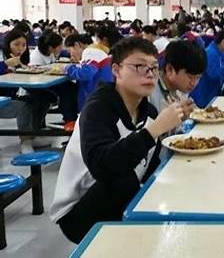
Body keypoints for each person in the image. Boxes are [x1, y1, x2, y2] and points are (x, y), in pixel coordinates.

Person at [50, 37, 185, 244]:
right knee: (124, 180)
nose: (150, 73)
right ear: (116, 70)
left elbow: (150, 165)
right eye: (139, 66)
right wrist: (155, 130)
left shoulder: (148, 111)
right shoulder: (97, 108)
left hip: (121, 195)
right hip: (78, 211)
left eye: (154, 68)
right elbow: (103, 166)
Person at [0, 29, 52, 153]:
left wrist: (26, 69)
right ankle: (25, 141)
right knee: (24, 106)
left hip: (11, 97)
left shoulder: (20, 59)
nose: (20, 48)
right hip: (2, 101)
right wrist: (5, 64)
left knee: (43, 98)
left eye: (23, 45)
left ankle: (33, 134)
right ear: (8, 44)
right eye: (16, 44)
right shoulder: (3, 55)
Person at [64, 25, 122, 111]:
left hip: (95, 98)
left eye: (70, 51)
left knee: (65, 90)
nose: (71, 55)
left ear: (76, 45)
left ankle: (69, 120)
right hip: (102, 95)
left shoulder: (89, 51)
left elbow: (86, 73)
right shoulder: (96, 51)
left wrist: (68, 68)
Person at [150, 40, 206, 119]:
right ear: (170, 70)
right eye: (190, 77)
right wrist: (176, 119)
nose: (193, 83)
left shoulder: (180, 89)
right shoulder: (150, 92)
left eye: (198, 78)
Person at [189, 27, 224, 107]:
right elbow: (214, 75)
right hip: (206, 98)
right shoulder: (211, 53)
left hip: (213, 92)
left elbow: (223, 65)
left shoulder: (219, 52)